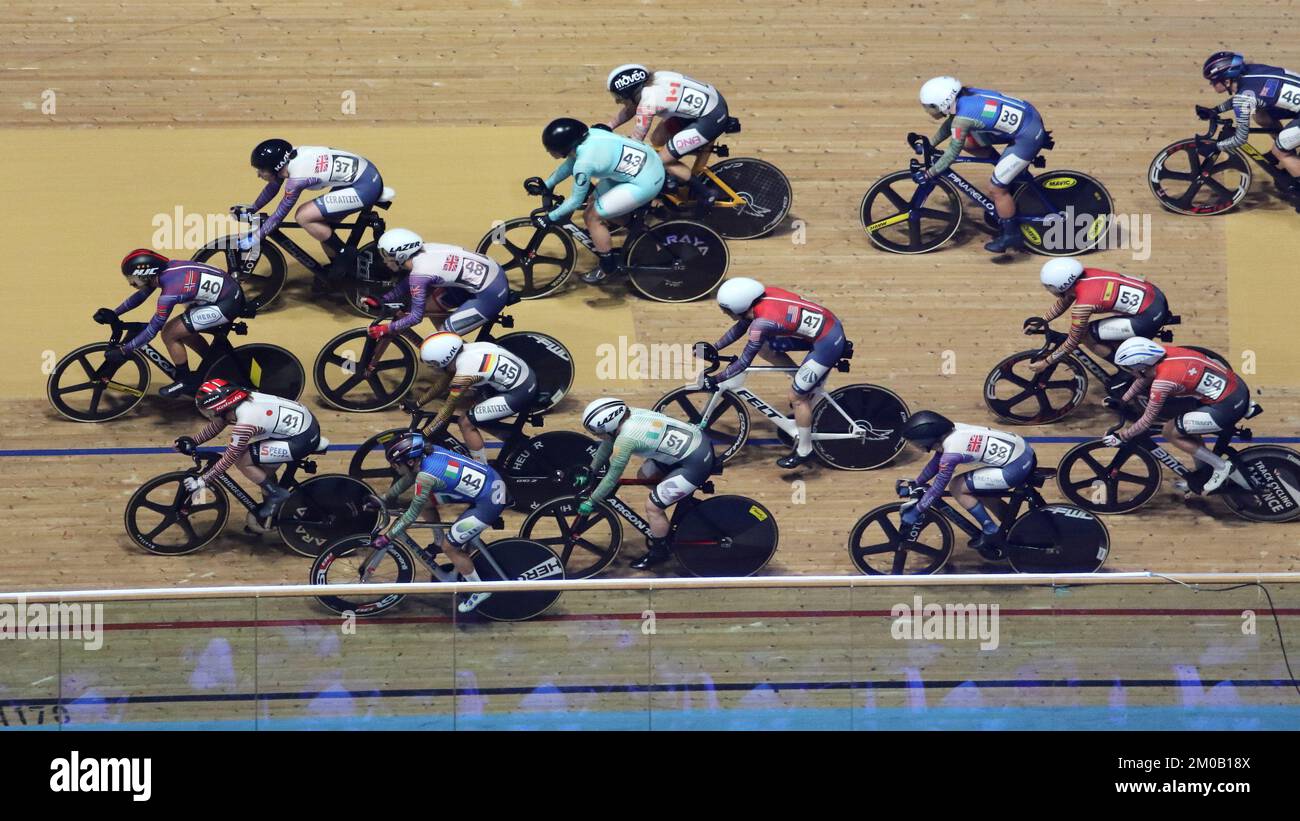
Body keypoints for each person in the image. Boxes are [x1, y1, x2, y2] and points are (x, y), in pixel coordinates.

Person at [707, 277, 846, 468]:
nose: (724, 312)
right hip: (825, 327)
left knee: (797, 397)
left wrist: (716, 379)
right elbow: (741, 327)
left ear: (739, 306)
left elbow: (744, 362)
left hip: (828, 342)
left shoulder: (762, 323)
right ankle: (804, 382)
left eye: (726, 309)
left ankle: (805, 450)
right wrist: (714, 348)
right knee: (765, 348)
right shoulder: (762, 298)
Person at [572, 398, 716, 569]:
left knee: (653, 507)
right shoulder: (628, 413)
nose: (597, 436)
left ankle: (660, 552)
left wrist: (592, 501)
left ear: (610, 426)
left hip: (695, 463)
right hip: (693, 445)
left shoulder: (626, 438)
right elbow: (608, 443)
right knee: (645, 474)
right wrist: (591, 469)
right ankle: (681, 502)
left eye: (598, 432)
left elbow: (611, 478)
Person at [374, 432, 508, 613]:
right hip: (492, 480)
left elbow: (411, 514)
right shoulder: (430, 452)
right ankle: (438, 539)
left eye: (396, 463)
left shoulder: (426, 477)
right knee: (426, 502)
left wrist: (388, 537)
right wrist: (385, 498)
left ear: (411, 461)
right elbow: (410, 477)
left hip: (488, 503)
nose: (394, 467)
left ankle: (479, 589)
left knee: (449, 547)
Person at [917, 77, 1048, 253]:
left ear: (944, 102)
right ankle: (1006, 168)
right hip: (1029, 117)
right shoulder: (965, 97)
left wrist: (929, 173)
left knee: (997, 189)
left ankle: (1011, 235)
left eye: (931, 106)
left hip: (1027, 136)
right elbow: (951, 125)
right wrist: (930, 144)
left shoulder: (962, 118)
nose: (930, 111)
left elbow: (952, 153)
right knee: (969, 142)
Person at [1106, 337, 1251, 493]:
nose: (1129, 372)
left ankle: (1221, 466)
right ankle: (1203, 474)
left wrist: (1123, 436)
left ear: (1141, 366)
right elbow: (1145, 377)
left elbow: (1147, 420)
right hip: (1236, 388)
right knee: (1185, 424)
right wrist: (1123, 400)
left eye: (1129, 368)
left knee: (1170, 431)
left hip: (1225, 406)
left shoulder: (1163, 383)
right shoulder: (1166, 352)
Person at [531, 117, 666, 284]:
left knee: (591, 216)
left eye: (551, 149)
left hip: (645, 181)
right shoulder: (589, 135)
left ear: (564, 147)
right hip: (646, 165)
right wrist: (547, 184)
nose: (549, 152)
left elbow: (575, 201)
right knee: (593, 201)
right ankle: (638, 231)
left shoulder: (585, 162)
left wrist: (549, 218)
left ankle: (608, 264)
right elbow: (570, 163)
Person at [96, 249, 245, 397]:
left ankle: (185, 380)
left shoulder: (170, 291)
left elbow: (153, 330)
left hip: (227, 304)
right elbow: (141, 295)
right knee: (183, 331)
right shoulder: (165, 271)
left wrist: (125, 350)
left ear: (145, 274)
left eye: (133, 278)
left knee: (169, 333)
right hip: (225, 294)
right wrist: (115, 313)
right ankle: (214, 363)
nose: (131, 283)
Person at [238, 139, 385, 286]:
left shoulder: (297, 178)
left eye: (262, 170)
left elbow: (279, 215)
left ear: (275, 167)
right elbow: (273, 187)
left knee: (303, 216)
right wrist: (253, 208)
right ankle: (341, 271)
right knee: (321, 227)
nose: (258, 174)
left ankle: (345, 256)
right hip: (364, 175)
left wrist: (257, 236)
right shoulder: (287, 158)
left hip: (364, 187)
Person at [896, 411, 1035, 556]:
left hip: (1015, 468)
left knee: (957, 486)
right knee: (978, 490)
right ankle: (1011, 524)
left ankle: (990, 529)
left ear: (926, 440)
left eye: (916, 443)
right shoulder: (952, 430)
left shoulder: (951, 454)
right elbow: (935, 463)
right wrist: (917, 482)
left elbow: (937, 488)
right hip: (1024, 452)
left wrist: (917, 510)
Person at [175, 379, 319, 518]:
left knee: (242, 460)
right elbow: (220, 421)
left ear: (222, 408)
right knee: (262, 470)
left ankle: (276, 493)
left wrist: (202, 480)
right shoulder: (241, 397)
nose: (210, 416)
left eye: (210, 413)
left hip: (301, 439)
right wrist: (194, 441)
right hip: (304, 424)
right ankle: (271, 512)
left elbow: (229, 457)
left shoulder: (245, 423)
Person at [604, 64, 731, 207]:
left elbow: (636, 141)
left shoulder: (648, 103)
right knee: (657, 139)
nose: (618, 101)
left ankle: (706, 193)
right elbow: (630, 108)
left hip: (709, 119)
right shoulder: (654, 79)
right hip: (708, 104)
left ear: (630, 92)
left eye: (619, 97)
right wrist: (608, 127)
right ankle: (675, 173)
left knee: (663, 160)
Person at [412, 331, 538, 464]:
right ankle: (512, 440)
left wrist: (424, 434)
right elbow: (443, 382)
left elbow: (447, 410)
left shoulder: (466, 371)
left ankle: (481, 468)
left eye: (435, 364)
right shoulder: (467, 349)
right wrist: (418, 403)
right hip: (526, 377)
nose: (436, 368)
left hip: (519, 393)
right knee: (478, 415)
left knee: (465, 421)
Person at [1027, 259, 1172, 373]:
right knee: (1106, 333)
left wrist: (1047, 362)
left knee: (1086, 335)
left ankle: (1127, 371)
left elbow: (1073, 341)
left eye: (1049, 287)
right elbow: (1066, 299)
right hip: (1155, 297)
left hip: (1146, 318)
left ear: (1059, 286)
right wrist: (1042, 321)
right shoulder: (1086, 274)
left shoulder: (1083, 305)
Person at [365, 228, 510, 340]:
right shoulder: (426, 249)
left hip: (490, 294)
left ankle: (461, 361)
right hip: (490, 272)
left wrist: (388, 328)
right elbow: (410, 281)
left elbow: (416, 317)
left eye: (386, 255)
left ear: (401, 255)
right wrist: (384, 299)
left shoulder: (420, 273)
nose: (384, 260)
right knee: (431, 307)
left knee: (441, 339)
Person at [1199, 51, 1300, 209]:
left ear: (1227, 81)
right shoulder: (1251, 71)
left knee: (1280, 152)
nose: (1211, 84)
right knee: (1259, 114)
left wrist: (1215, 146)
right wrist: (1216, 110)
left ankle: (1286, 155)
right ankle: (1289, 152)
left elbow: (1240, 139)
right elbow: (1247, 97)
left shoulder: (1245, 98)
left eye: (1213, 81)